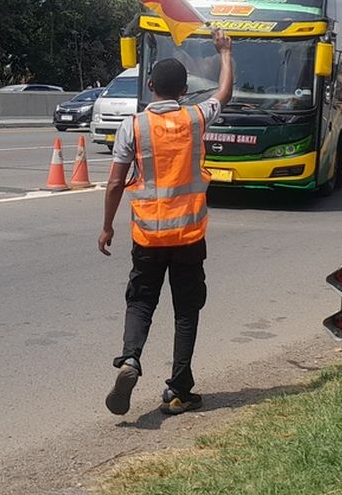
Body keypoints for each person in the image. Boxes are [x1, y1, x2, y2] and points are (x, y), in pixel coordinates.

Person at [98, 27, 234, 416]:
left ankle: (130, 358)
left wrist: (107, 226)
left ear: (151, 86)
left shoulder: (133, 126)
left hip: (148, 237)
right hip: (188, 236)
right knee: (186, 310)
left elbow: (114, 183)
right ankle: (178, 390)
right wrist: (224, 53)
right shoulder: (196, 117)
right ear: (184, 90)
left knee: (141, 301)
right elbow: (223, 93)